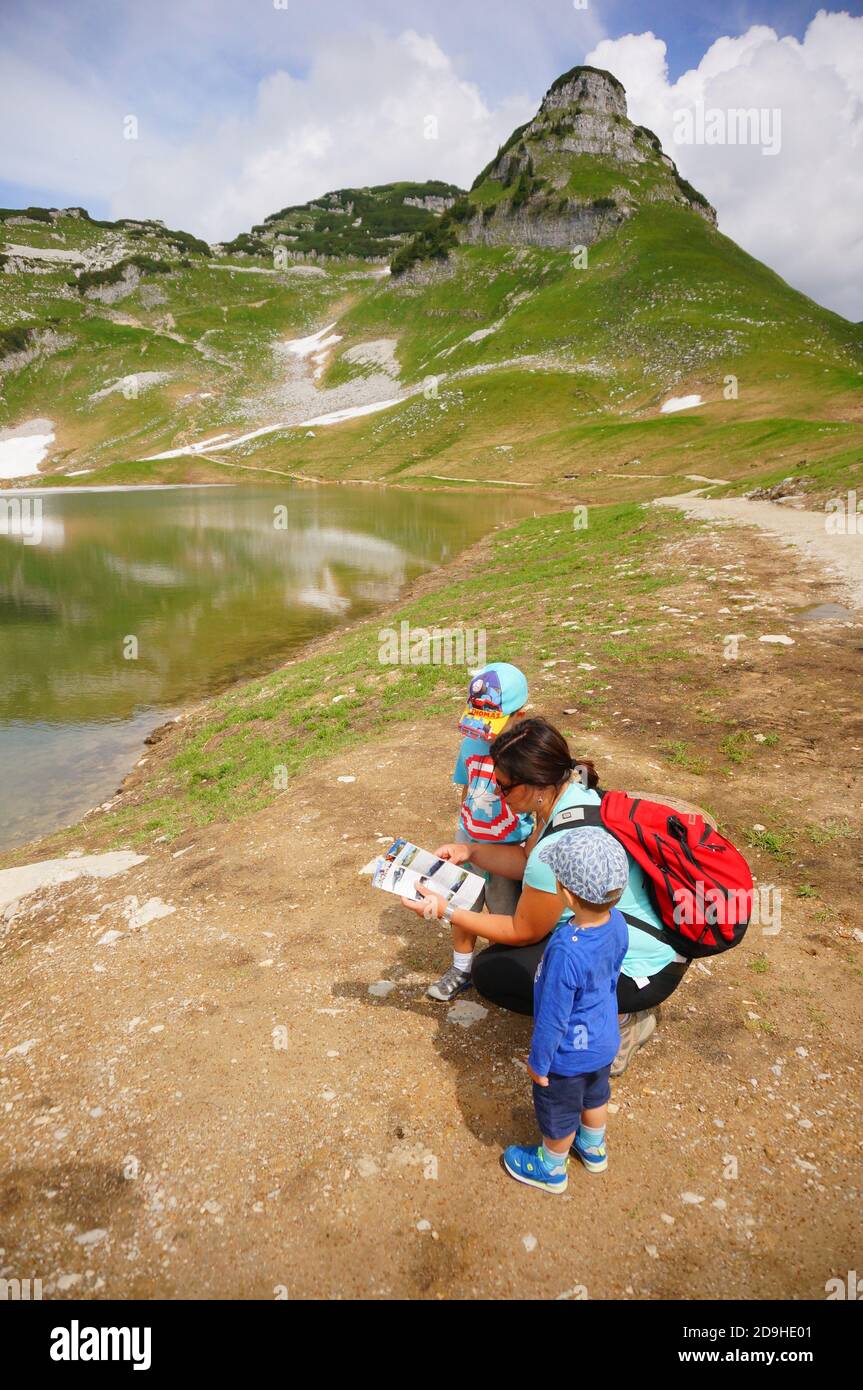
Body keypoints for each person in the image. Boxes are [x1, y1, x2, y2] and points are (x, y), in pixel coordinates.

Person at [402, 717, 690, 1073]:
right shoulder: (576, 795)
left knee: (493, 973)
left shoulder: (552, 849)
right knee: (514, 956)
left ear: (535, 784)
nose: (497, 793)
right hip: (653, 940)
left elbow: (525, 930)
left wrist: (446, 910)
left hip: (641, 969)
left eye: (504, 786)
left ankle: (623, 1016)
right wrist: (471, 851)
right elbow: (524, 861)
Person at [502, 827, 629, 1194]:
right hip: (604, 1040)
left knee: (559, 1111)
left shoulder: (566, 950)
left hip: (568, 1053)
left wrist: (539, 1063)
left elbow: (555, 1017)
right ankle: (593, 1147)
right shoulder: (618, 923)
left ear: (567, 894)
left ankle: (551, 1167)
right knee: (595, 1095)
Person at [426, 662, 532, 1003]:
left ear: (520, 716)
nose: (485, 733)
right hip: (468, 841)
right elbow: (467, 788)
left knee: (504, 914)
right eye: (480, 723)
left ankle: (500, 968)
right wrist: (464, 831)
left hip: (510, 847)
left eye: (494, 725)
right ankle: (461, 968)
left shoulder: (529, 752)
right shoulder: (471, 744)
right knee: (461, 906)